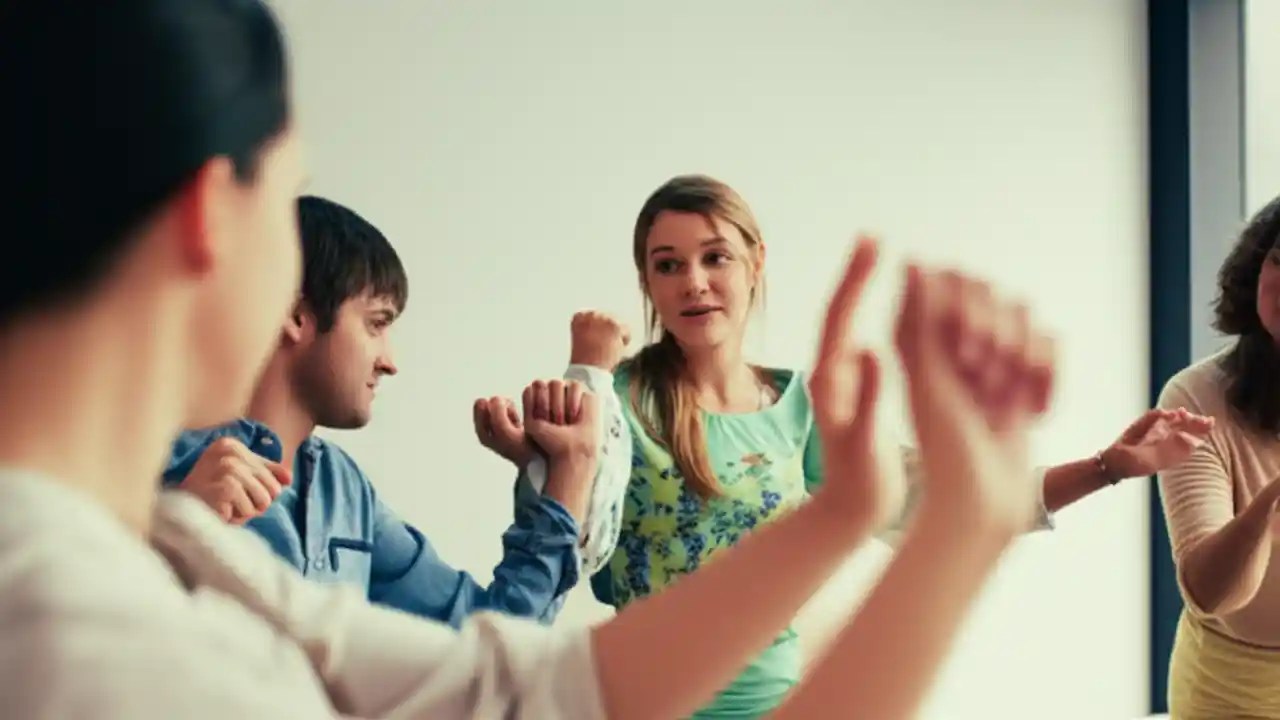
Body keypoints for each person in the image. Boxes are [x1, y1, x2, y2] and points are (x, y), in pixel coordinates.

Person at [0, 2, 1065, 718]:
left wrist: (906, 521)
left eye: (713, 259)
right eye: (285, 200)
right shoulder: (90, 638)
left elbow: (528, 684)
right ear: (209, 220)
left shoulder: (184, 546)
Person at [540, 174, 1212, 718]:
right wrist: (587, 374)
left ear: (755, 263)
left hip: (783, 705)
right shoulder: (620, 396)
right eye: (668, 265)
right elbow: (566, 531)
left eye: (715, 256)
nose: (693, 281)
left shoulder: (798, 406)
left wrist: (1107, 467)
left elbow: (932, 496)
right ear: (648, 283)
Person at [162, 194, 632, 627]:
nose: (390, 361)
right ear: (297, 315)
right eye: (376, 324)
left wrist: (566, 476)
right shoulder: (163, 464)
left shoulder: (344, 493)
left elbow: (487, 646)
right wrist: (170, 530)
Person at [1157, 194, 1280, 719]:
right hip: (1230, 690)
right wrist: (1269, 506)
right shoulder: (1196, 398)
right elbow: (1210, 592)